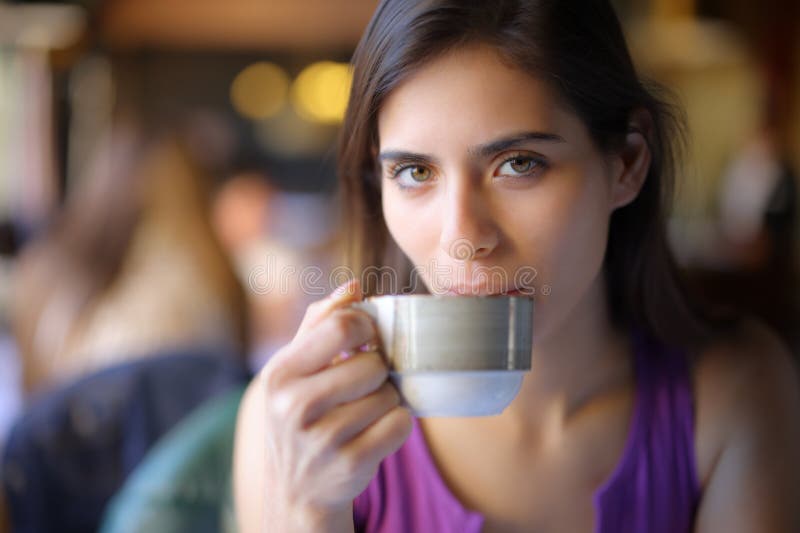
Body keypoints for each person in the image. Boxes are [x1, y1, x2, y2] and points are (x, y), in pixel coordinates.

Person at [233, 1, 800, 532]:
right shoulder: (299, 428)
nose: (462, 239)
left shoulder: (734, 396)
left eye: (519, 164)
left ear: (626, 162)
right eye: (415, 173)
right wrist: (304, 513)